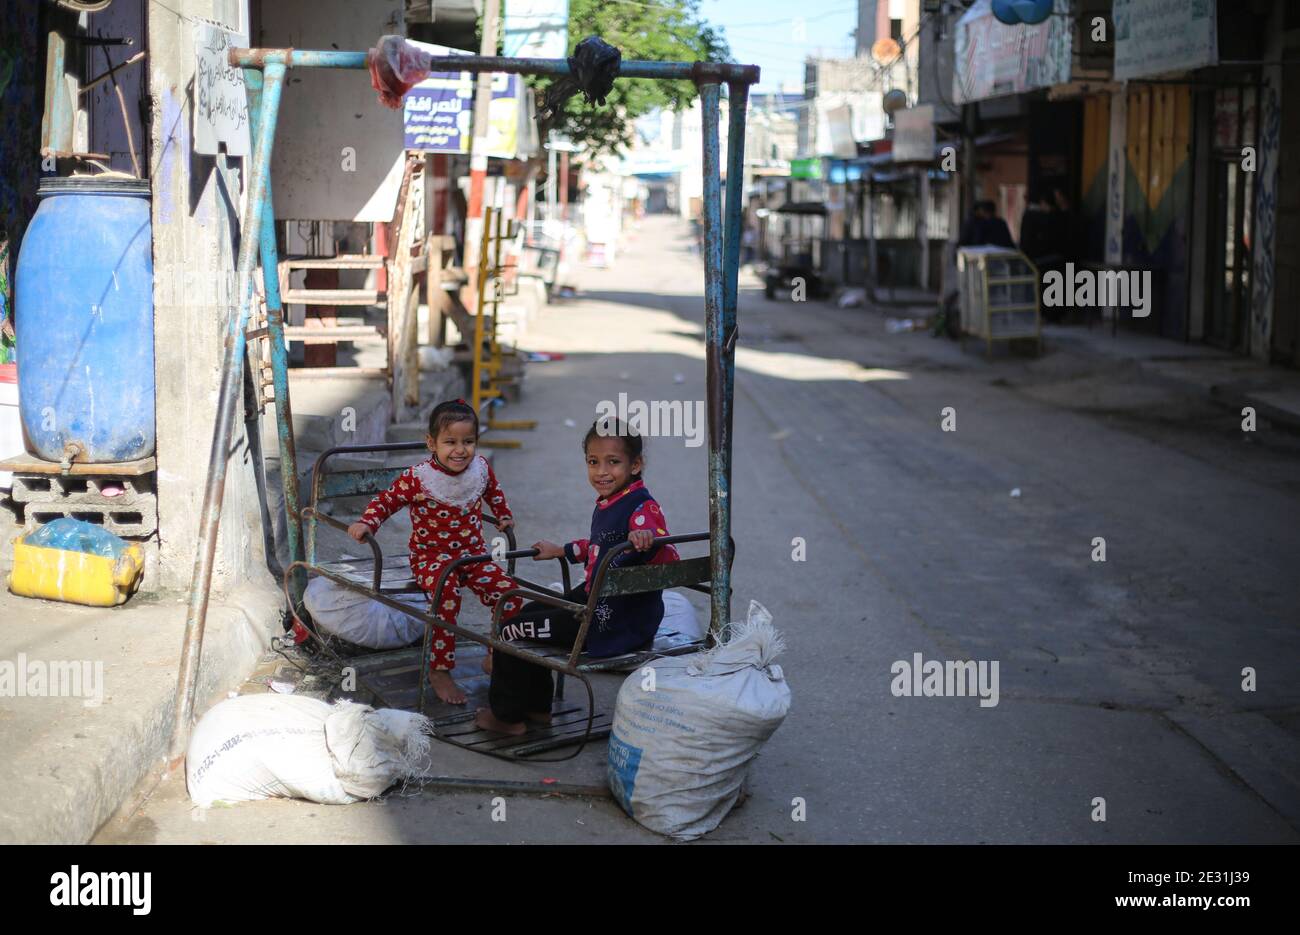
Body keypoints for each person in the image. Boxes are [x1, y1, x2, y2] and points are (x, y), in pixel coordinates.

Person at [474, 418, 680, 735]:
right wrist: (562, 550)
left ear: (636, 464)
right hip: (605, 608)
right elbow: (603, 545)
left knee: (509, 629)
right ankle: (538, 708)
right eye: (593, 462)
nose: (601, 472)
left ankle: (507, 717)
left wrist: (645, 537)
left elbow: (654, 535)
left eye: (613, 462)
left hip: (607, 624)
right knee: (527, 611)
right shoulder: (615, 501)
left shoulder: (642, 506)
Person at [348, 399, 526, 705]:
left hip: (473, 555)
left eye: (468, 441)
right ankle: (440, 670)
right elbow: (387, 500)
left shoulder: (479, 469)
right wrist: (368, 522)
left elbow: (494, 492)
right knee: (448, 595)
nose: (460, 450)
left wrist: (503, 514)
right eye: (450, 442)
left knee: (508, 592)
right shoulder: (419, 477)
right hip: (431, 558)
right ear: (432, 443)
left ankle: (498, 653)